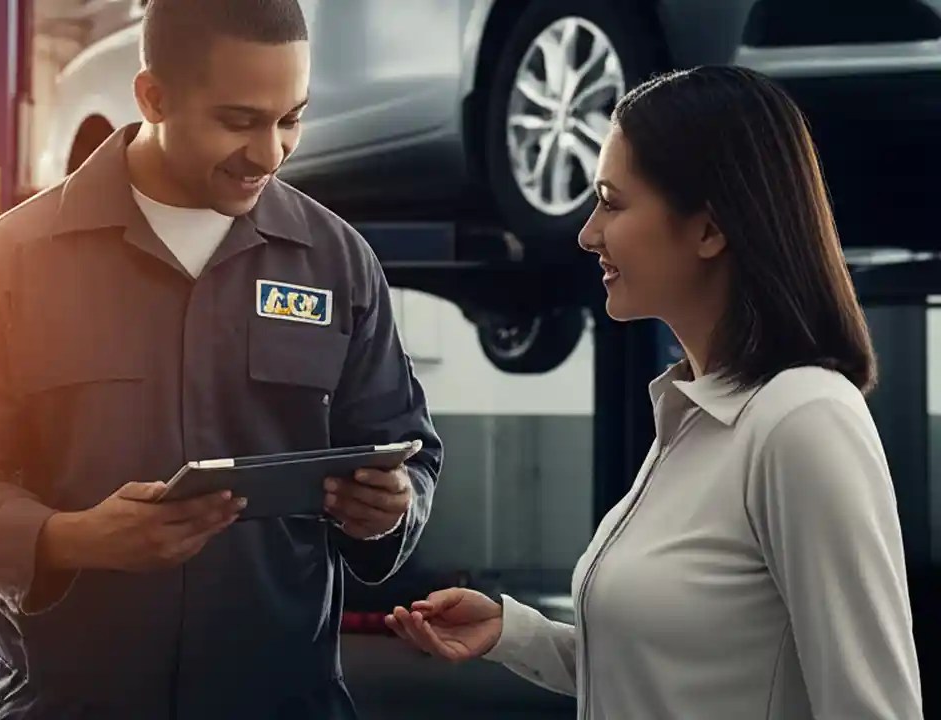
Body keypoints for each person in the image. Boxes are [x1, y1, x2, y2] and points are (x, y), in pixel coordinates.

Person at [0, 0, 443, 717]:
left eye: (291, 119)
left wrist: (393, 509)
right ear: (152, 96)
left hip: (285, 704)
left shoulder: (336, 262)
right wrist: (68, 538)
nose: (271, 154)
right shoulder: (15, 260)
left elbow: (413, 455)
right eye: (239, 121)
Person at [386, 65, 923, 719]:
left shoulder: (802, 420)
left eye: (612, 201)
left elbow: (872, 707)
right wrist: (513, 632)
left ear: (709, 228)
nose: (588, 233)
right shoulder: (692, 414)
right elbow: (671, 667)